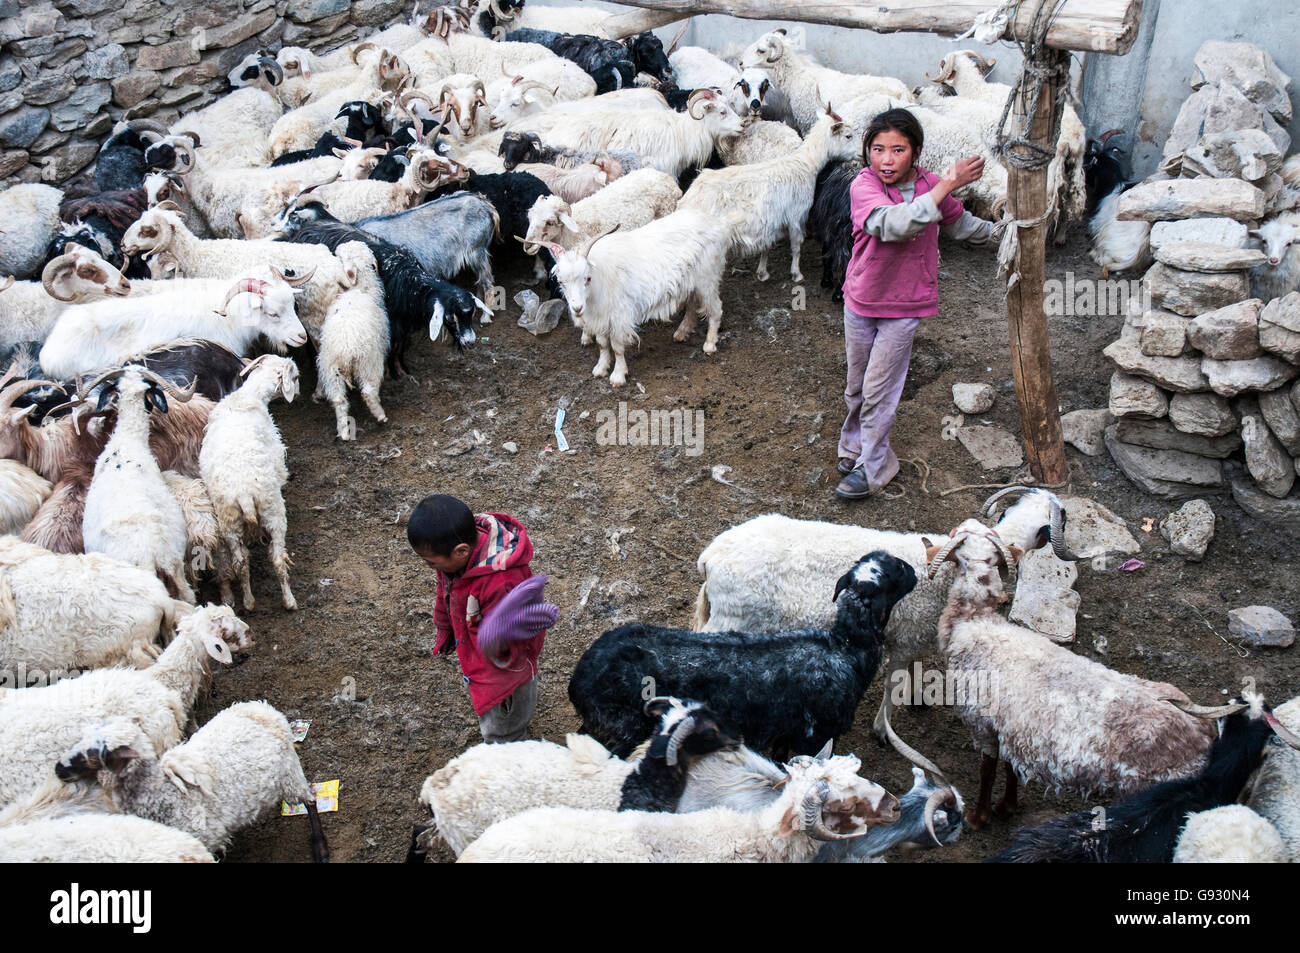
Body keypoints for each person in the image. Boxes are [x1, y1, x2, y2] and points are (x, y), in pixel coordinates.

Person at [835, 108, 994, 500]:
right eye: (878, 149)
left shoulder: (932, 185)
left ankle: (875, 468)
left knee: (879, 390)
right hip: (861, 299)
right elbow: (892, 225)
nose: (886, 160)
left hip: (903, 306)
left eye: (897, 150)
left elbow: (961, 225)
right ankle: (854, 446)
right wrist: (948, 185)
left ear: (916, 151)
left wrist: (1009, 234)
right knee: (856, 387)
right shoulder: (864, 185)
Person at [407, 494, 550, 743]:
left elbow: (514, 639)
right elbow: (446, 594)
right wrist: (446, 629)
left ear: (461, 551)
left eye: (431, 563)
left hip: (504, 670)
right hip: (481, 659)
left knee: (503, 730)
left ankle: (510, 752)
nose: (431, 568)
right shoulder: (452, 564)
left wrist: (494, 655)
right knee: (496, 709)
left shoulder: (502, 583)